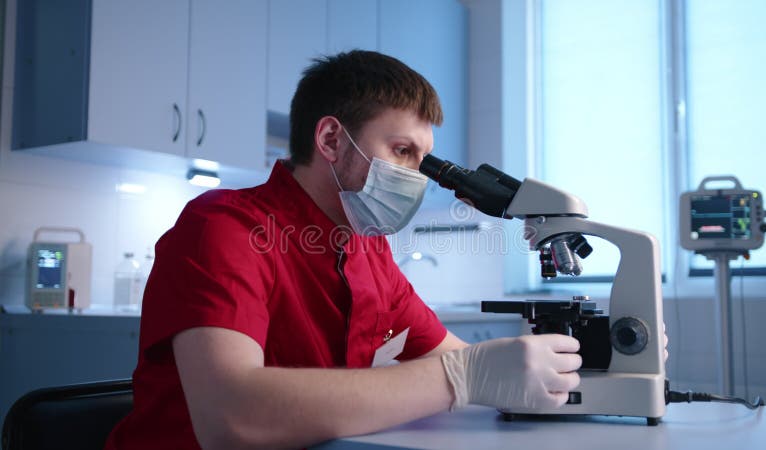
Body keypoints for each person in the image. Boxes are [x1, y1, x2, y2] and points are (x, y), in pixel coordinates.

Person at [104, 50, 583, 450]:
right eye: (402, 151)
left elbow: (470, 365)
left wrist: (573, 371)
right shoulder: (224, 228)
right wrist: (463, 377)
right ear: (331, 139)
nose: (418, 177)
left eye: (423, 159)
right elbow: (232, 417)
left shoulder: (367, 251)